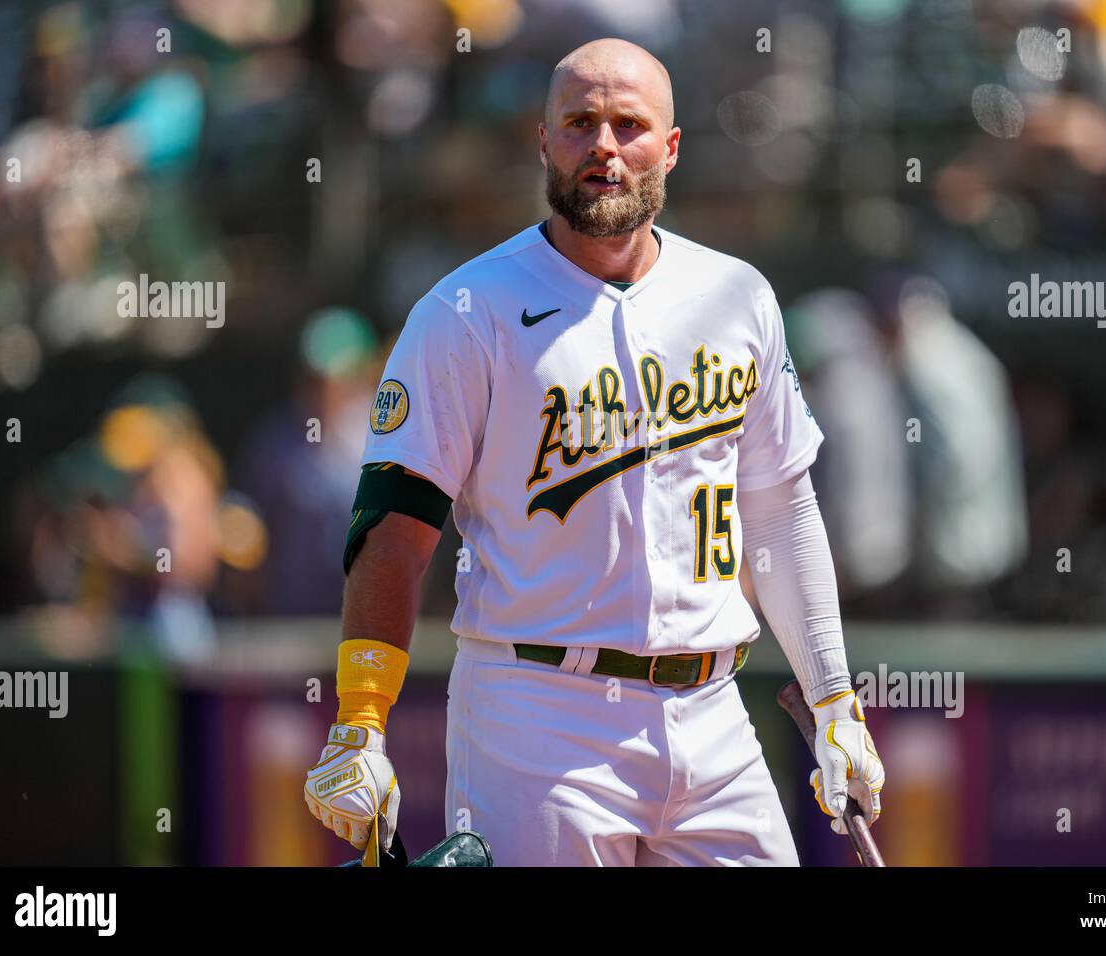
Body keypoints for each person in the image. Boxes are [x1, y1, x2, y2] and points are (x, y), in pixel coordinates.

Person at [303, 38, 884, 866]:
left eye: (629, 124)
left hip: (714, 707)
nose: (603, 146)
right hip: (536, 711)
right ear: (544, 142)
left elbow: (781, 507)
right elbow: (395, 529)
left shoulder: (738, 295)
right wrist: (360, 722)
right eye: (579, 123)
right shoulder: (468, 310)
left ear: (671, 147)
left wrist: (835, 700)